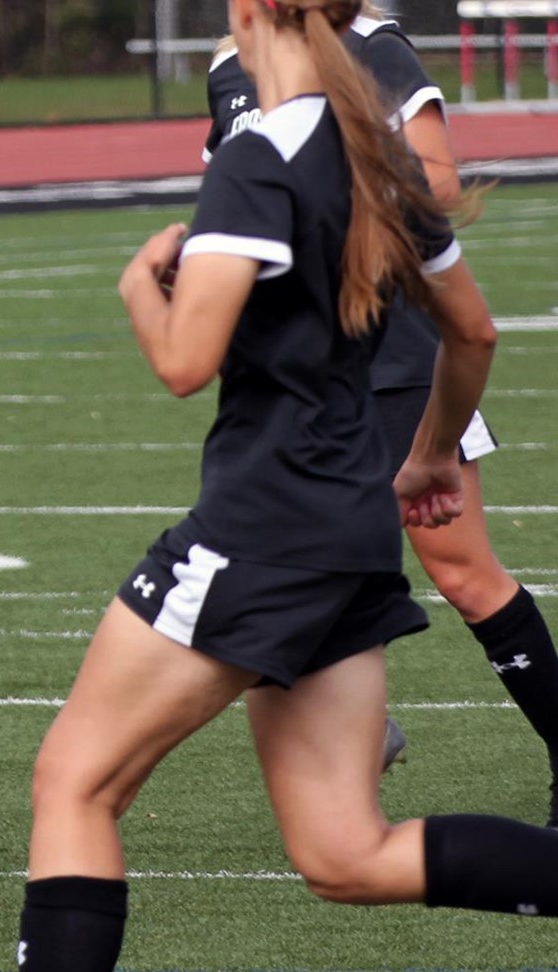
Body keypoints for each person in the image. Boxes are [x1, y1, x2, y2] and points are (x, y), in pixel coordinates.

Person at [16, 1, 558, 972]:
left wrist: (141, 288)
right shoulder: (378, 155)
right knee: (344, 852)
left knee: (74, 783)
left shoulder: (261, 155)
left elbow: (184, 359)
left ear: (249, 9)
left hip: (258, 533)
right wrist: (433, 450)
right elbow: (474, 328)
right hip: (349, 528)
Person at [203, 2, 558, 817]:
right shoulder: (230, 70)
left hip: (395, 354)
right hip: (296, 374)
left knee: (463, 572)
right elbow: (235, 208)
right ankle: (359, 723)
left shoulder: (373, 46)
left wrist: (333, 212)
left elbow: (435, 180)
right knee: (279, 559)